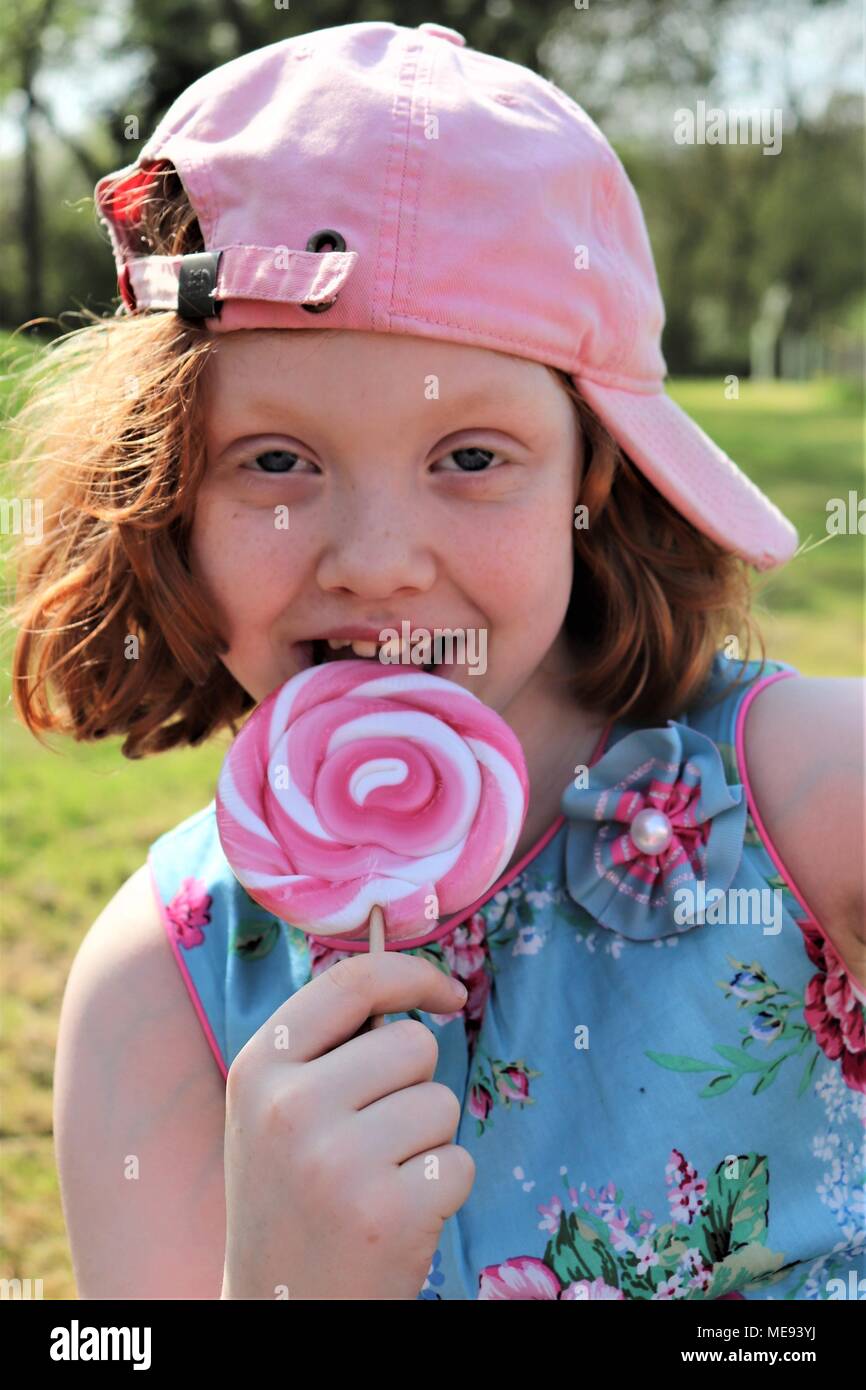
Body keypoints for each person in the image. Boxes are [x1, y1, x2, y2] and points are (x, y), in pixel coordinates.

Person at [8, 20, 864, 1301]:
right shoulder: (157, 992)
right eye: (275, 461)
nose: (375, 560)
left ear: (597, 478)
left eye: (469, 457)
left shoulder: (814, 802)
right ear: (167, 491)